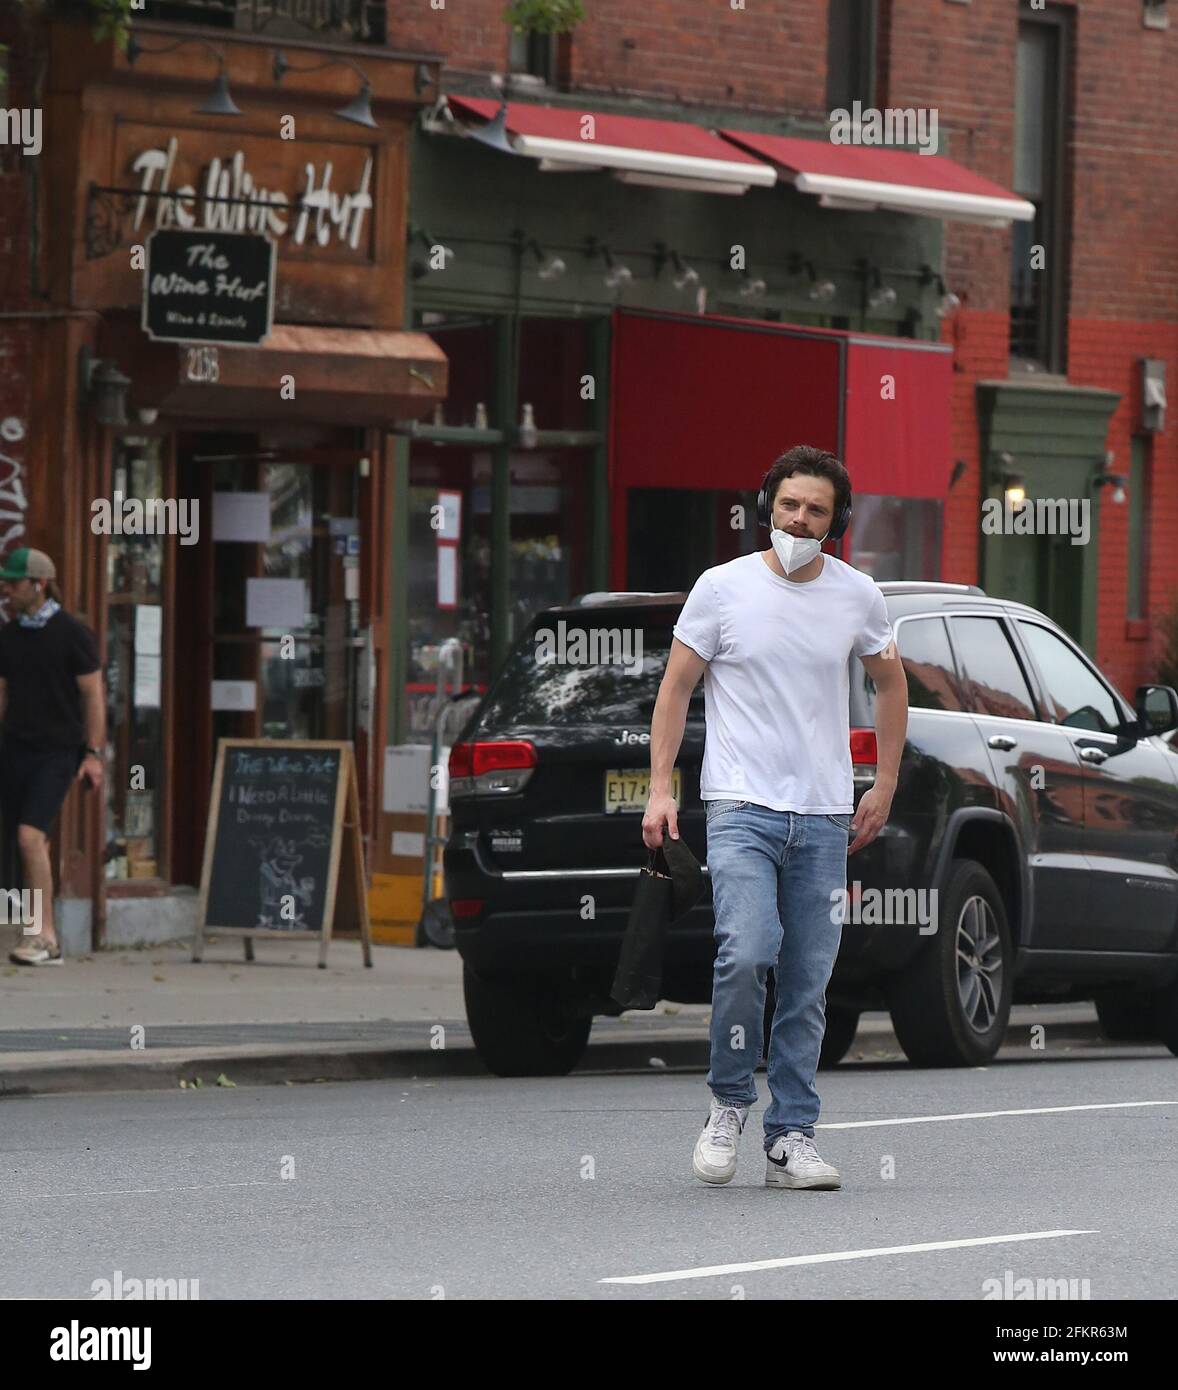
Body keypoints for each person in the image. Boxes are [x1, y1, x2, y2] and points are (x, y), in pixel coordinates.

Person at [642, 446, 908, 1190]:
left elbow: (891, 684)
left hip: (824, 816)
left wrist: (883, 782)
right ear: (768, 505)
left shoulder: (858, 596)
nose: (800, 518)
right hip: (740, 807)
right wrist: (661, 789)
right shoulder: (721, 588)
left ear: (837, 520)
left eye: (816, 509)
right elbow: (675, 689)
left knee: (808, 977)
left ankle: (791, 1134)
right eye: (790, 504)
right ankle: (728, 1105)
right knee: (748, 951)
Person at [0, 549, 105, 965]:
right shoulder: (7, 636)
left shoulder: (73, 634)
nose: (6, 589)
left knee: (29, 836)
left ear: (39, 584)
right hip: (15, 748)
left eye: (13, 582)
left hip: (59, 751)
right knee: (30, 841)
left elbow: (93, 695)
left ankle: (46, 936)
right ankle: (33, 930)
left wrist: (93, 753)